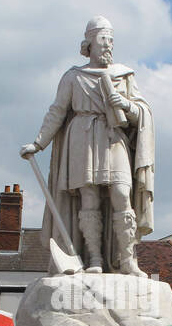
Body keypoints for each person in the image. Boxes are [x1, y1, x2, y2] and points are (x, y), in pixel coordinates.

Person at [20, 16, 156, 276]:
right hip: (81, 138)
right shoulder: (73, 76)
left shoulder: (123, 75)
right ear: (89, 44)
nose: (108, 46)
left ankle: (127, 261)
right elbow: (57, 111)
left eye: (111, 41)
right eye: (103, 40)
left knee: (120, 193)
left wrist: (125, 104)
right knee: (89, 198)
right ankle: (93, 258)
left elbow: (142, 113)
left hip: (113, 137)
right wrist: (38, 143)